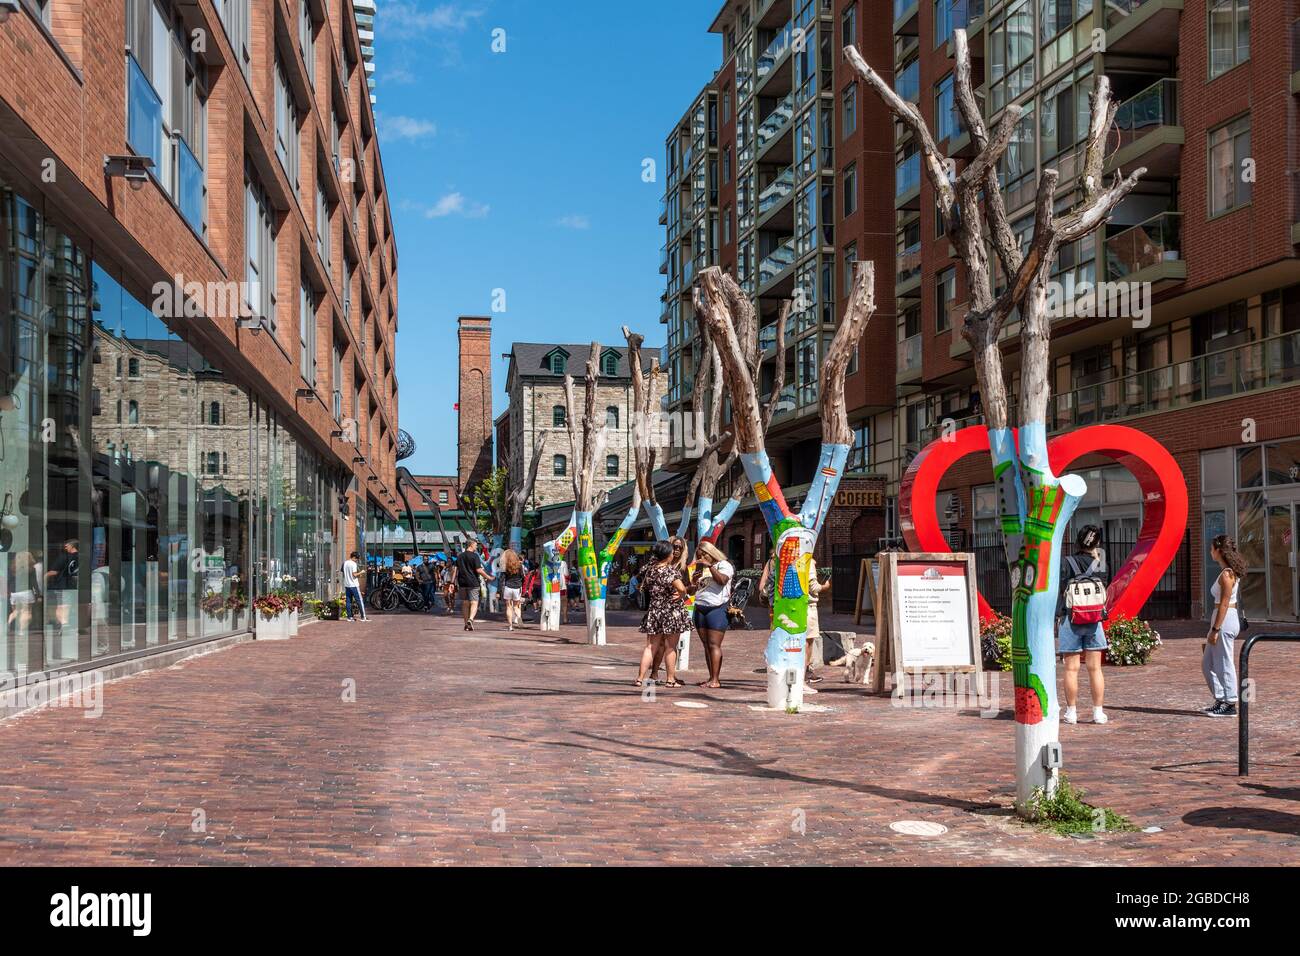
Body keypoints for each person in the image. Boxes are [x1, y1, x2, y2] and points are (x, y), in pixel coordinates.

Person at [1057, 525, 1108, 724]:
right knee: (1095, 669)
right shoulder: (1100, 564)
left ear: (1078, 541)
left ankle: (1071, 712)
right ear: (1097, 544)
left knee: (1071, 669)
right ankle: (1098, 712)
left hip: (1071, 618)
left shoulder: (1066, 562)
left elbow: (1060, 588)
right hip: (1094, 619)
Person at [635, 540, 691, 687]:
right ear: (667, 555)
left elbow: (642, 585)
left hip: (655, 611)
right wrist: (681, 594)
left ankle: (640, 678)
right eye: (672, 552)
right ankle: (670, 679)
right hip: (671, 612)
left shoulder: (650, 570)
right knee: (670, 647)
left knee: (650, 647)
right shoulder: (670, 570)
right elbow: (681, 588)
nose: (674, 554)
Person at [1203, 534, 1247, 717]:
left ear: (1219, 551)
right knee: (1208, 664)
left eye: (1212, 548)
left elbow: (1224, 603)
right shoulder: (1225, 572)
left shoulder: (1228, 575)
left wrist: (1215, 629)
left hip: (1225, 619)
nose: (1210, 551)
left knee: (1224, 662)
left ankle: (1230, 703)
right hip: (1219, 617)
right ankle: (1221, 698)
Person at [690, 540, 734, 688]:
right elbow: (694, 590)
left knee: (714, 645)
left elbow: (722, 581)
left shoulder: (724, 565)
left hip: (717, 608)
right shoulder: (700, 568)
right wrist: (694, 582)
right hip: (700, 607)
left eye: (704, 555)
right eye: (699, 555)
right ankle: (710, 678)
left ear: (711, 553)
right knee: (706, 645)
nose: (701, 558)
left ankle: (716, 680)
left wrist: (710, 567)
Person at [457, 539, 494, 631]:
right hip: (473, 582)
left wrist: (453, 582)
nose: (476, 547)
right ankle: (471, 619)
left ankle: (466, 624)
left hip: (462, 582)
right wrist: (489, 577)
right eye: (476, 545)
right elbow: (478, 570)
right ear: (471, 545)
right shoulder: (475, 556)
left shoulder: (460, 556)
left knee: (465, 603)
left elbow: (456, 569)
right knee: (474, 602)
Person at [500, 549, 525, 631]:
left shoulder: (505, 565)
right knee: (516, 606)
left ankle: (510, 626)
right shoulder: (519, 565)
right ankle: (519, 617)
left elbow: (502, 578)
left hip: (508, 587)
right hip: (517, 588)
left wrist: (499, 590)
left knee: (508, 606)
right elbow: (523, 577)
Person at [342, 551, 367, 622]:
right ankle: (363, 617)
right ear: (354, 557)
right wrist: (361, 572)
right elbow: (354, 575)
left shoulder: (345, 563)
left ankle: (349, 617)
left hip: (347, 584)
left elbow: (343, 571)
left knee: (348, 601)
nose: (357, 560)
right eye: (357, 559)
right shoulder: (353, 564)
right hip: (354, 585)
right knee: (359, 601)